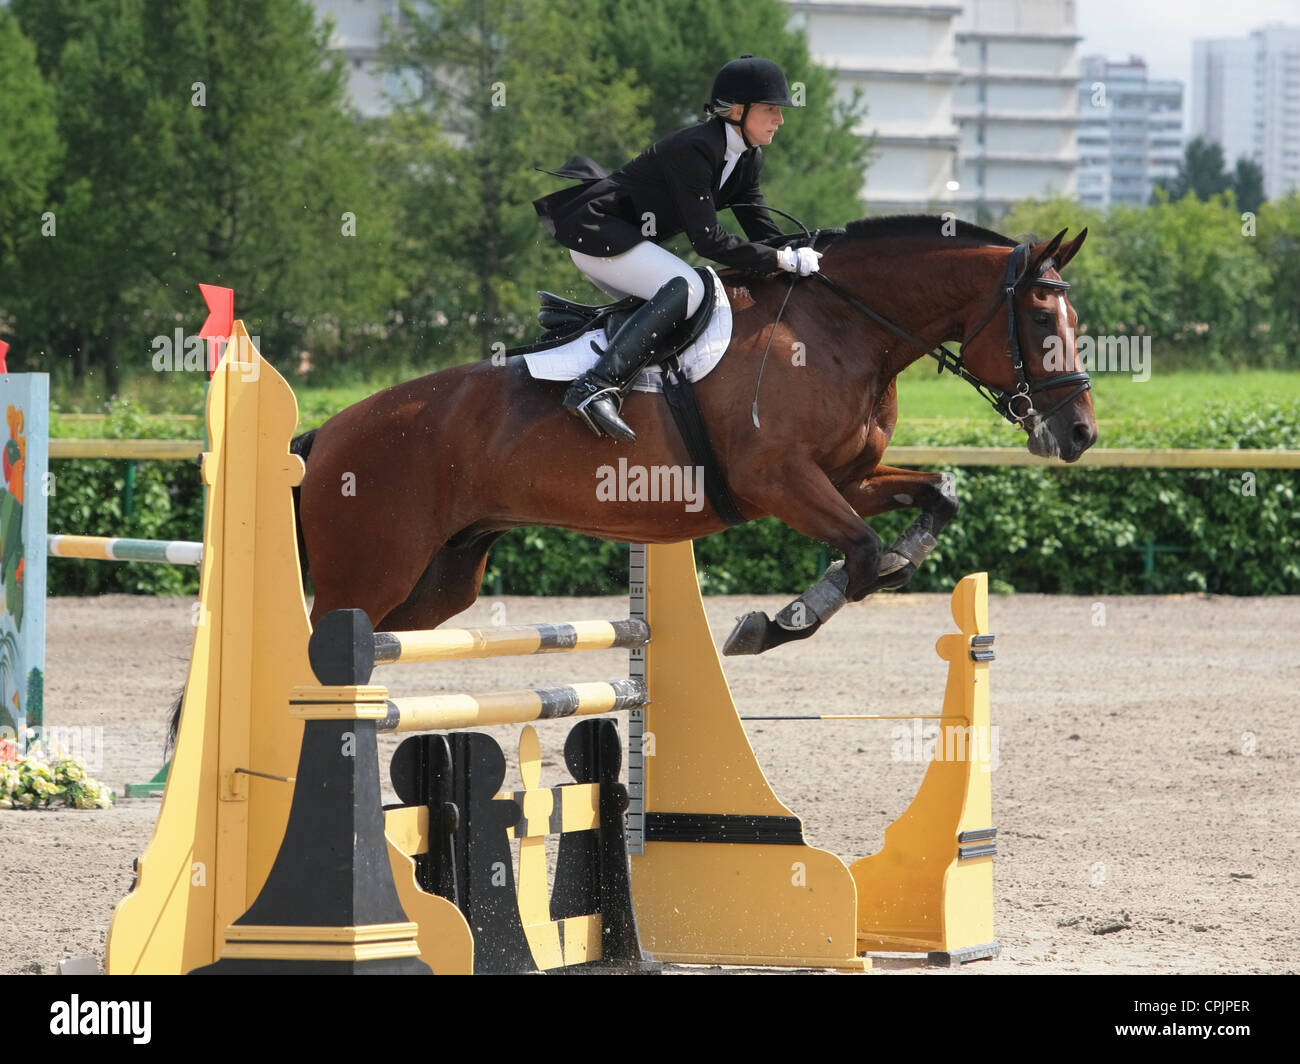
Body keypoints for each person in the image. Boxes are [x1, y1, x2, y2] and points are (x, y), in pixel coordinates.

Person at [533, 54, 822, 442]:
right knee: (688, 287)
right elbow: (708, 240)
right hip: (598, 233)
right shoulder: (696, 149)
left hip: (625, 240)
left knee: (684, 301)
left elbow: (761, 230)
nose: (780, 120)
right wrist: (781, 260)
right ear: (738, 110)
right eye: (771, 109)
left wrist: (816, 249)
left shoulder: (747, 158)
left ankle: (576, 325)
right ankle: (594, 386)